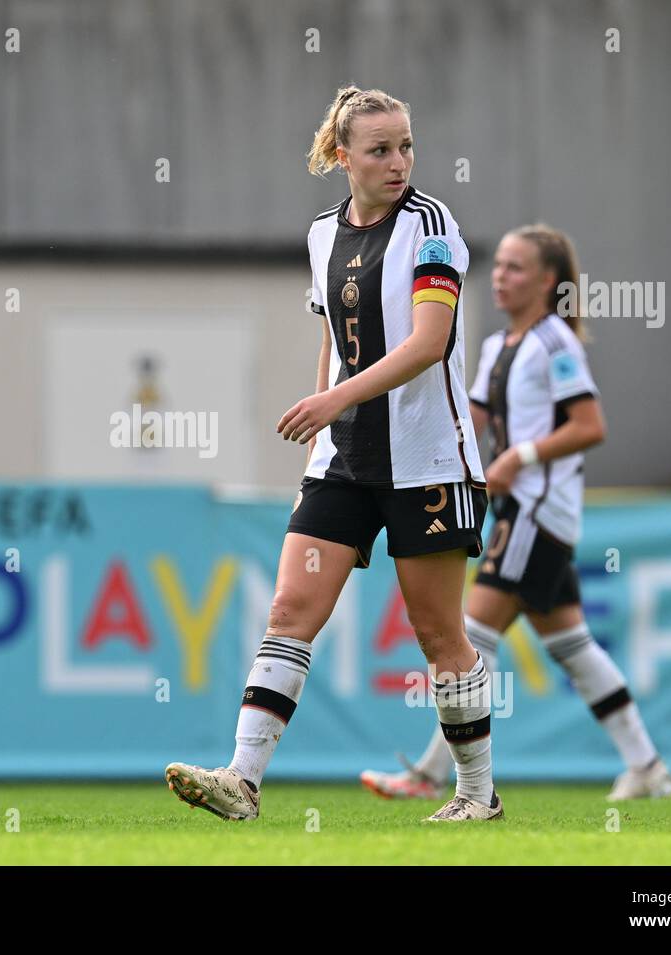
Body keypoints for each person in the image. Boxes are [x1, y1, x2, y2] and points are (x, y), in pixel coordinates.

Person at [166, 85, 502, 823]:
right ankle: (242, 781)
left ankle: (477, 794)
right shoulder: (323, 233)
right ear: (343, 156)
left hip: (427, 463)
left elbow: (429, 343)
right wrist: (325, 428)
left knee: (438, 633)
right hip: (342, 462)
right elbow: (333, 342)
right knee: (289, 609)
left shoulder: (432, 226)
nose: (399, 162)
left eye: (406, 146)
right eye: (380, 149)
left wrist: (332, 401)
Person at [360, 224, 671, 803]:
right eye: (499, 265)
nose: (500, 277)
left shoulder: (555, 343)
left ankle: (430, 776)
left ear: (547, 280)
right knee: (573, 646)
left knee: (469, 634)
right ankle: (648, 766)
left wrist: (518, 458)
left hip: (535, 510)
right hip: (519, 509)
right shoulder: (495, 346)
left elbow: (590, 426)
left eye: (515, 267)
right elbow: (468, 418)